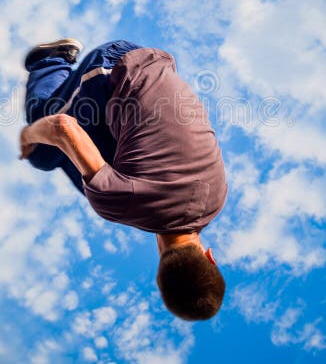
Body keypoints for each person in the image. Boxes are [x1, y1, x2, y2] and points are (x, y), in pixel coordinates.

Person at [19, 38, 227, 320]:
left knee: (103, 184)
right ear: (159, 279)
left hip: (156, 66)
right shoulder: (127, 204)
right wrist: (27, 136)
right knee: (42, 151)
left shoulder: (218, 198)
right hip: (115, 69)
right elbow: (63, 127)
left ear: (210, 257)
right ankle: (50, 60)